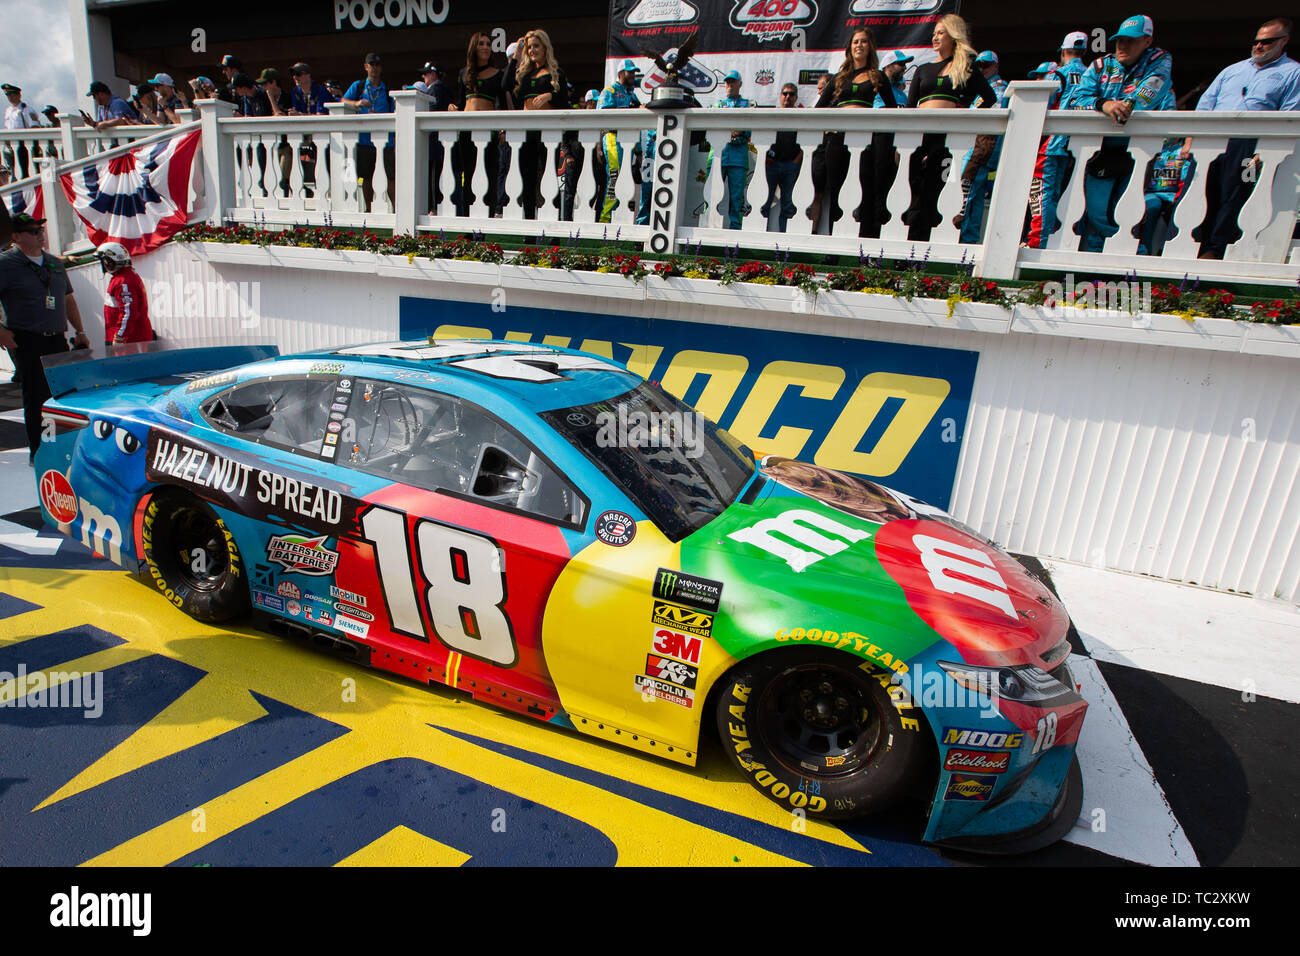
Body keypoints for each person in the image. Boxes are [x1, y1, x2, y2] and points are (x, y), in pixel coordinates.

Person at [1192, 18, 1300, 258]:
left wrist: (1265, 150)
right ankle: (1193, 245)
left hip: (1249, 147)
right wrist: (1190, 139)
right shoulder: (1232, 70)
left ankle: (1215, 250)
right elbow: (1205, 105)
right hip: (1212, 141)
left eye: (1267, 41)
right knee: (1201, 190)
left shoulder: (1293, 73)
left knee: (1236, 194)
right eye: (1256, 41)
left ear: (1284, 41)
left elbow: (1289, 115)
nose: (1259, 46)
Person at [1069, 15, 1175, 252]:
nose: (1122, 46)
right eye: (1119, 41)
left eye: (1130, 40)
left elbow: (1152, 91)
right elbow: (1076, 100)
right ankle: (1094, 267)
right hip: (1100, 152)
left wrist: (1127, 105)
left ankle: (1133, 265)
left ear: (1147, 41)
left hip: (1140, 154)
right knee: (1096, 213)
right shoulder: (1100, 65)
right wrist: (1104, 105)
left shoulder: (1160, 59)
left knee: (1132, 213)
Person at [0, 214, 92, 463]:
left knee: (63, 395)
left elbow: (68, 299)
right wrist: (1, 332)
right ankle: (39, 452)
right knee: (36, 397)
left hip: (57, 339)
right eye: (32, 231)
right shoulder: (6, 263)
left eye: (40, 229)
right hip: (27, 340)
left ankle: (63, 446)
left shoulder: (54, 263)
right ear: (16, 237)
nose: (40, 234)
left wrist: (80, 331)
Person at [903, 15, 997, 241]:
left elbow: (989, 96)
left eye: (941, 33)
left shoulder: (965, 68)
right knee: (914, 190)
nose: (935, 37)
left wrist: (965, 112)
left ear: (953, 35)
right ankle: (909, 248)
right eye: (934, 33)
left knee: (938, 190)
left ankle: (928, 249)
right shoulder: (923, 69)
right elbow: (909, 107)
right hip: (920, 139)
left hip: (947, 141)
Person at [815, 31, 897, 238]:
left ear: (870, 46)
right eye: (855, 42)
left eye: (863, 41)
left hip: (865, 141)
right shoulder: (839, 78)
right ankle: (833, 246)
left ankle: (863, 244)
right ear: (849, 47)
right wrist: (830, 126)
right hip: (838, 140)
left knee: (866, 188)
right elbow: (819, 108)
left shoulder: (877, 76)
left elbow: (892, 110)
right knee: (836, 189)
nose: (859, 45)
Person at [1030, 31, 1091, 247]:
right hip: (1078, 145)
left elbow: (1042, 107)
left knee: (1040, 190)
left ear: (1064, 51)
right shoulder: (1092, 74)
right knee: (1063, 192)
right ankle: (1056, 240)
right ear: (1083, 51)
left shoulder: (1059, 73)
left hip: (1053, 143)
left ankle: (1039, 241)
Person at [512, 30, 572, 220]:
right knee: (528, 180)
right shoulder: (525, 74)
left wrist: (550, 95)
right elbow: (507, 88)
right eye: (529, 47)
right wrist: (516, 57)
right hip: (527, 133)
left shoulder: (556, 73)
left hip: (549, 134)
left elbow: (564, 103)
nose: (532, 50)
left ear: (545, 47)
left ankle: (552, 227)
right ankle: (529, 226)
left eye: (536, 45)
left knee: (551, 179)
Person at [454, 32, 510, 217]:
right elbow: (460, 102)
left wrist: (503, 130)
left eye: (488, 44)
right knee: (468, 174)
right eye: (481, 44)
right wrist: (452, 107)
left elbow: (503, 104)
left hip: (488, 133)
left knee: (490, 173)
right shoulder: (464, 73)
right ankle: (467, 220)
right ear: (473, 48)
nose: (486, 47)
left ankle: (487, 219)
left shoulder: (498, 73)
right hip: (466, 132)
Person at [343, 53, 396, 213]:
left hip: (386, 140)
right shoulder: (358, 86)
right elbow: (343, 100)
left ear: (381, 68)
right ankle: (368, 209)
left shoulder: (387, 88)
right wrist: (356, 103)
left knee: (391, 176)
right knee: (366, 176)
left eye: (377, 65)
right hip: (365, 139)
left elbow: (394, 110)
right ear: (366, 66)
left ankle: (396, 210)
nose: (374, 68)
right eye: (371, 65)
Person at [595, 59, 641, 223]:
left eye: (634, 73)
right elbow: (601, 117)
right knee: (614, 176)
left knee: (625, 179)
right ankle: (605, 218)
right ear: (621, 73)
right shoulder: (609, 91)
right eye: (630, 72)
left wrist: (639, 151)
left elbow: (638, 122)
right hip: (612, 137)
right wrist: (599, 145)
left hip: (629, 140)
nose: (633, 75)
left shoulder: (632, 94)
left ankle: (617, 217)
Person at [1133, 137, 1194, 255]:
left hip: (1174, 195)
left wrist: (1186, 157)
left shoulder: (1183, 149)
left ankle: (1170, 252)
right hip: (1152, 193)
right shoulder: (1154, 146)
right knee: (1152, 207)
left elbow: (1186, 177)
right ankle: (1145, 250)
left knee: (1178, 213)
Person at [713, 70, 753, 230]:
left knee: (737, 198)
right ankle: (708, 227)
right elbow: (712, 127)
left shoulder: (747, 105)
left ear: (740, 84)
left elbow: (750, 130)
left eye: (733, 82)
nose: (729, 85)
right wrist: (731, 129)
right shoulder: (717, 105)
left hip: (738, 158)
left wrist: (739, 130)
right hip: (718, 156)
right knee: (712, 193)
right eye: (727, 82)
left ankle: (735, 230)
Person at [762, 82, 802, 232]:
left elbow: (806, 142)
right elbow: (764, 137)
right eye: (785, 93)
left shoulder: (801, 116)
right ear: (780, 96)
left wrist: (796, 161)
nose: (788, 97)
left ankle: (784, 239)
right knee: (765, 200)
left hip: (791, 165)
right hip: (771, 164)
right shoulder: (773, 115)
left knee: (787, 203)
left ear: (796, 97)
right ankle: (761, 237)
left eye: (791, 94)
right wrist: (766, 158)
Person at [289, 63, 333, 199]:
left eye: (299, 74)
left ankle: (328, 195)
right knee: (305, 165)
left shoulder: (320, 91)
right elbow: (294, 113)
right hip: (305, 138)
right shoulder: (295, 92)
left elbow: (321, 116)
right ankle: (309, 194)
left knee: (326, 167)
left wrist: (300, 115)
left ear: (308, 75)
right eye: (294, 74)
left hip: (325, 138)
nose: (295, 77)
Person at [97, 242, 153, 346]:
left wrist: (119, 336)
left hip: (131, 340)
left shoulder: (123, 281)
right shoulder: (123, 277)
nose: (103, 264)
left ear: (111, 261)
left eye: (104, 261)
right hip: (127, 338)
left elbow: (128, 312)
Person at [3, 83, 44, 181]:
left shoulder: (26, 109)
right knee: (12, 167)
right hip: (12, 145)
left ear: (19, 95)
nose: (10, 98)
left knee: (26, 171)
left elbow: (34, 126)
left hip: (24, 145)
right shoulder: (8, 110)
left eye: (13, 95)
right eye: (8, 95)